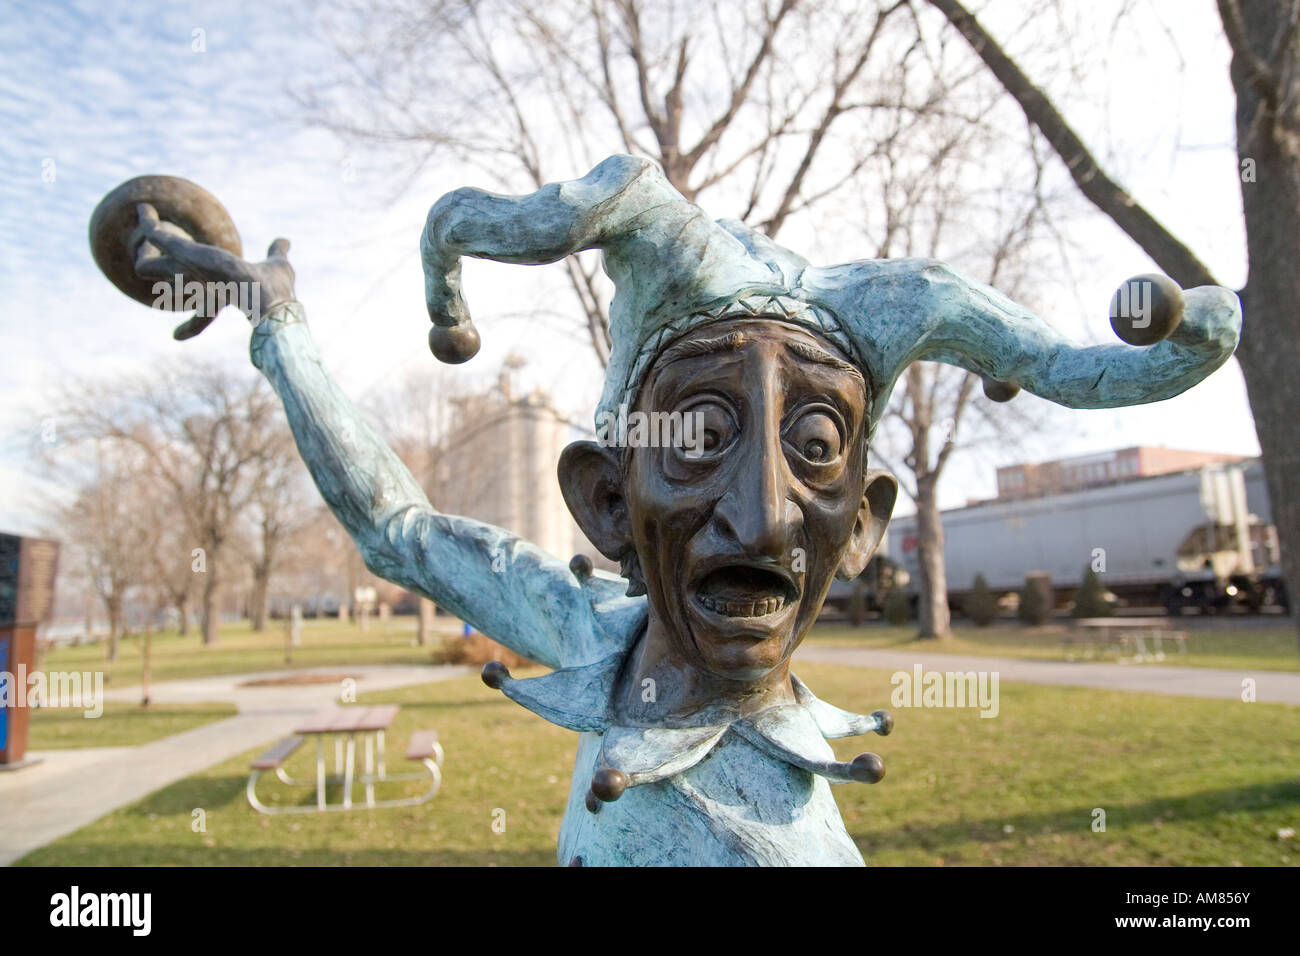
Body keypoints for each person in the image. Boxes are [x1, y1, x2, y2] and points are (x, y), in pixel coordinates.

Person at [128, 155, 1240, 865]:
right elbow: (397, 527)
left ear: (858, 524)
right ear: (607, 502)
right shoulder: (594, 630)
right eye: (700, 438)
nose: (756, 522)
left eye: (815, 448)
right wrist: (277, 326)